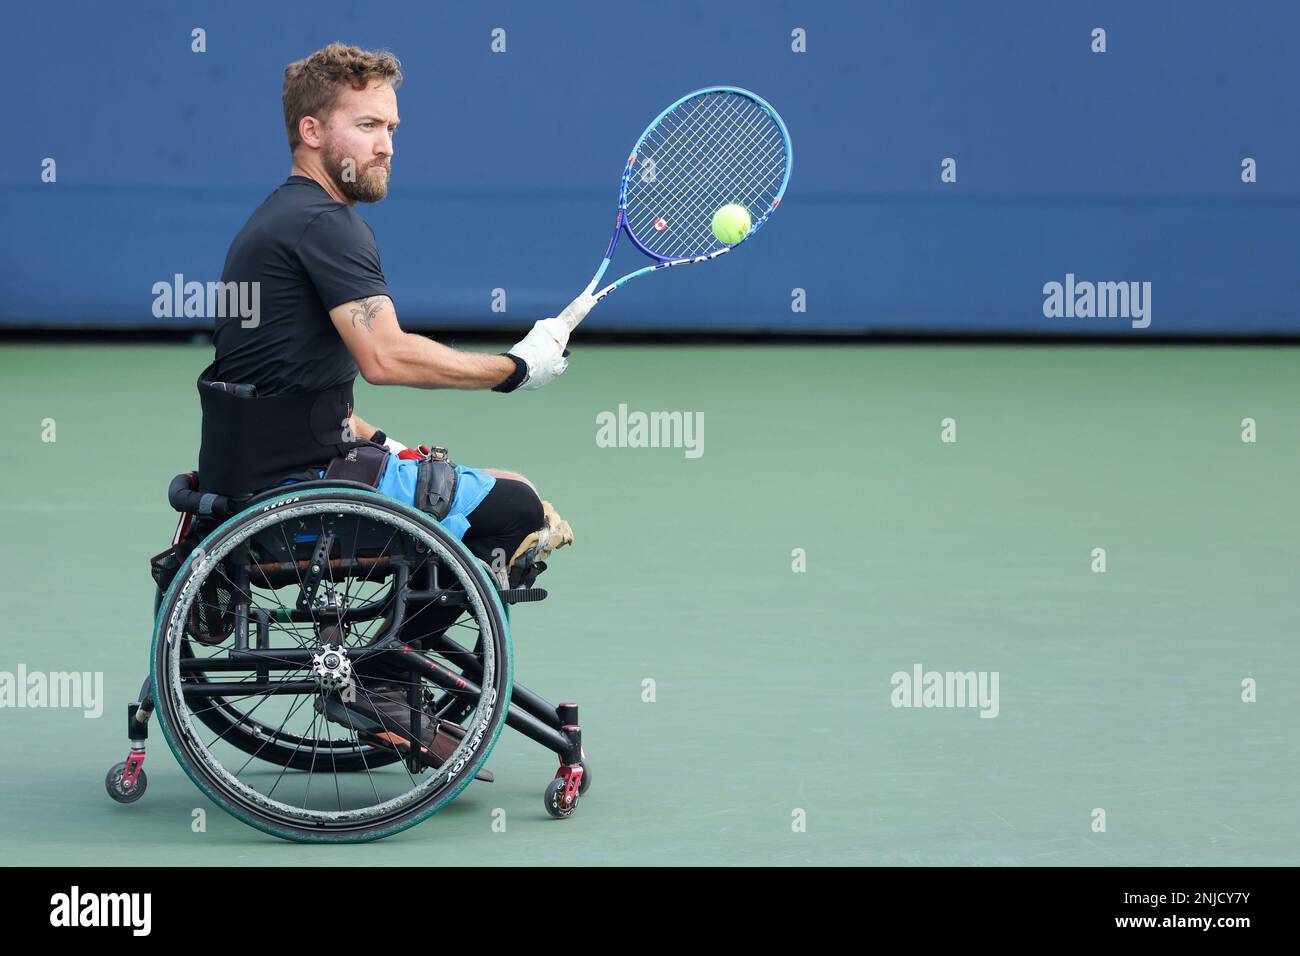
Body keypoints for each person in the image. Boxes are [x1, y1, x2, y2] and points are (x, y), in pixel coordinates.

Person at [197, 43, 584, 752]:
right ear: (312, 132)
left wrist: (387, 447)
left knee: (506, 486)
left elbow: (303, 392)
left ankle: (382, 673)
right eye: (368, 126)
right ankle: (375, 679)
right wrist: (514, 369)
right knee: (518, 512)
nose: (386, 146)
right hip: (301, 496)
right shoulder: (325, 225)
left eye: (392, 130)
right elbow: (385, 355)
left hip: (264, 478)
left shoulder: (276, 221)